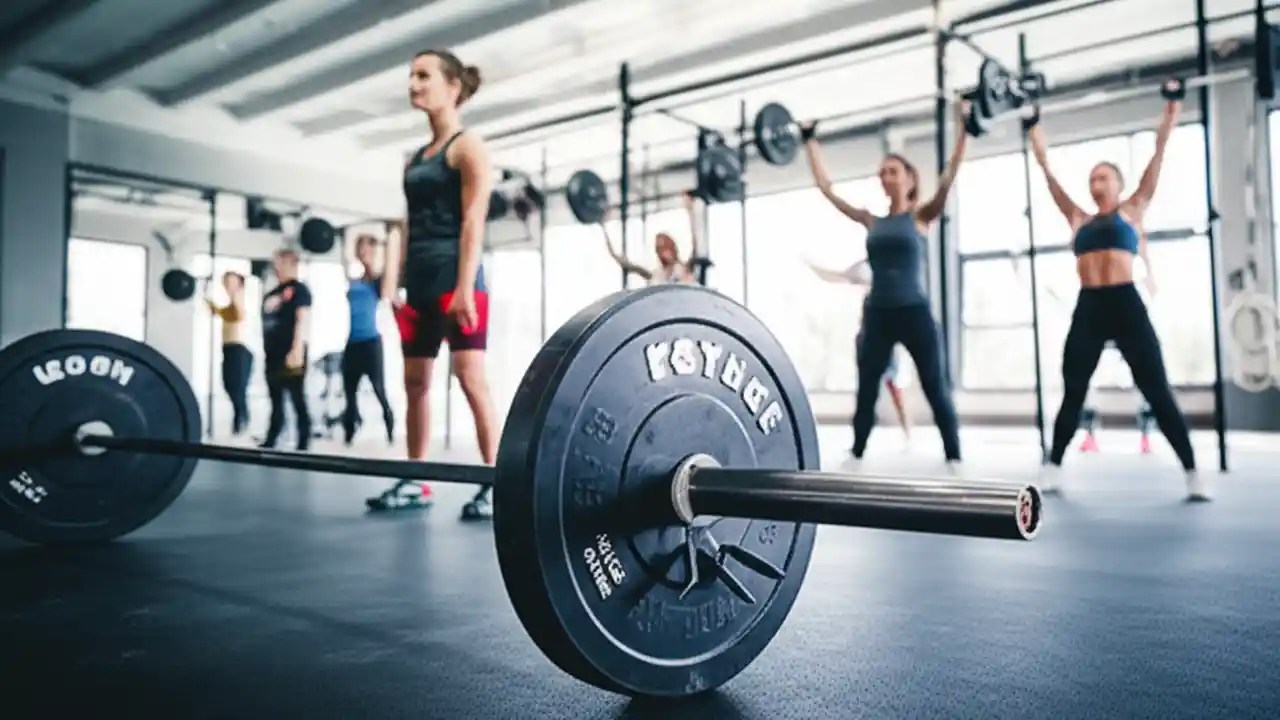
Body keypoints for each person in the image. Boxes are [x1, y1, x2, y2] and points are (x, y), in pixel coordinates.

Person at [1027, 84, 1206, 501]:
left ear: (1119, 183)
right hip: (1089, 306)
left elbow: (1159, 153)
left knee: (1156, 388)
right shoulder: (1078, 217)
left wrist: (1171, 109)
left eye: (1103, 176)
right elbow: (1047, 173)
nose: (1095, 182)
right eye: (1092, 178)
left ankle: (1192, 471)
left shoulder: (1133, 209)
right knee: (1073, 389)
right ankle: (1053, 466)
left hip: (1126, 303)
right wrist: (1035, 134)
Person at [801, 100, 969, 469]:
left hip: (914, 312)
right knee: (867, 387)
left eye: (892, 171)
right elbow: (826, 189)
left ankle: (953, 455)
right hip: (877, 312)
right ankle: (857, 451)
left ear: (909, 178)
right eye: (882, 172)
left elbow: (951, 172)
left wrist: (963, 124)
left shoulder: (922, 216)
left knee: (934, 385)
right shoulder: (871, 220)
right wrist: (810, 141)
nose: (885, 176)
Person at [366, 48, 497, 519]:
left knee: (470, 380)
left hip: (455, 278)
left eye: (423, 76)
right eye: (411, 75)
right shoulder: (414, 157)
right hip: (420, 282)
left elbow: (472, 223)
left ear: (453, 87)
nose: (413, 84)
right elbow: (405, 225)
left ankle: (495, 479)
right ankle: (417, 479)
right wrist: (394, 284)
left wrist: (464, 288)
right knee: (416, 383)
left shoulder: (467, 147)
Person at [806, 260, 911, 439]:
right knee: (870, 388)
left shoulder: (890, 270)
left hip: (883, 335)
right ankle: (861, 439)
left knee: (891, 384)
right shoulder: (867, 267)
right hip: (869, 335)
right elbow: (839, 276)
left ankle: (904, 428)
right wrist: (812, 266)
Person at [341, 232, 397, 446]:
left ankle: (390, 428)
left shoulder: (377, 281)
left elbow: (387, 287)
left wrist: (387, 244)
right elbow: (344, 263)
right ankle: (349, 432)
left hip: (371, 342)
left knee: (379, 389)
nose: (363, 252)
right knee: (349, 391)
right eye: (360, 248)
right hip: (352, 342)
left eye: (367, 248)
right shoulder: (353, 280)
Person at [259, 248, 313, 451]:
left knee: (297, 398)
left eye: (280, 262)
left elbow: (302, 319)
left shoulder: (300, 290)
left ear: (291, 264)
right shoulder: (273, 293)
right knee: (275, 399)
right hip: (272, 354)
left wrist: (297, 348)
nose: (276, 266)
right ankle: (272, 438)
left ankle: (303, 441)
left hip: (291, 353)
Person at [598, 192, 702, 285]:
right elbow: (620, 260)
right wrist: (603, 226)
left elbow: (696, 243)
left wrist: (690, 210)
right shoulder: (655, 275)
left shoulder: (685, 269)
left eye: (666, 244)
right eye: (660, 247)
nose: (664, 249)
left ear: (673, 246)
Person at [205, 271, 252, 437]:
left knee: (237, 386)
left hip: (239, 348)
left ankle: (242, 421)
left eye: (230, 281)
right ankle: (240, 419)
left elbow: (236, 314)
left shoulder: (240, 297)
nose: (226, 284)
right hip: (229, 348)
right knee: (229, 385)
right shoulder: (231, 302)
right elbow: (220, 312)